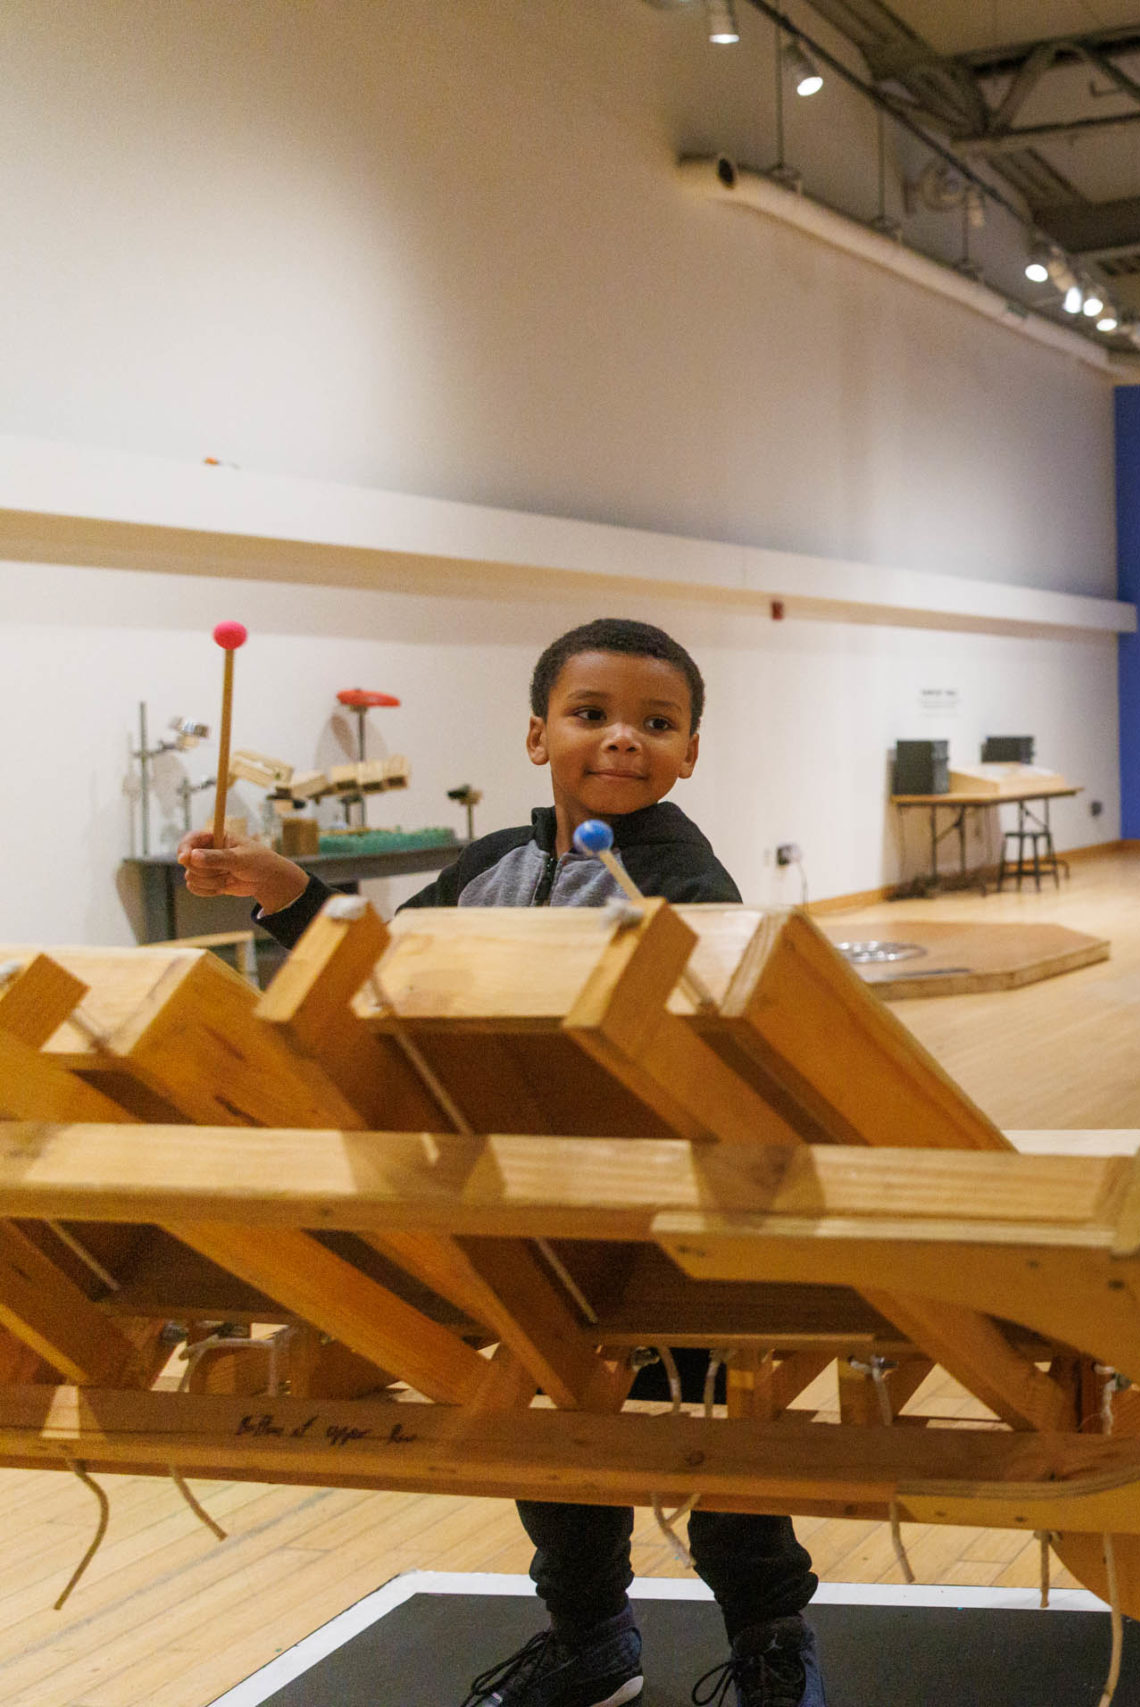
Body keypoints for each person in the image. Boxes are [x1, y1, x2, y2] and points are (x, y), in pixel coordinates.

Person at [179, 618, 825, 1707]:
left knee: (725, 1441)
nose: (623, 739)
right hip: (525, 1211)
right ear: (538, 735)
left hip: (669, 1217)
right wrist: (288, 888)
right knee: (551, 1443)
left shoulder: (686, 875)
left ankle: (770, 1637)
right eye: (592, 716)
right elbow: (385, 963)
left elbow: (716, 1025)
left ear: (689, 753)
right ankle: (590, 1637)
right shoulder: (491, 865)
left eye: (655, 724)